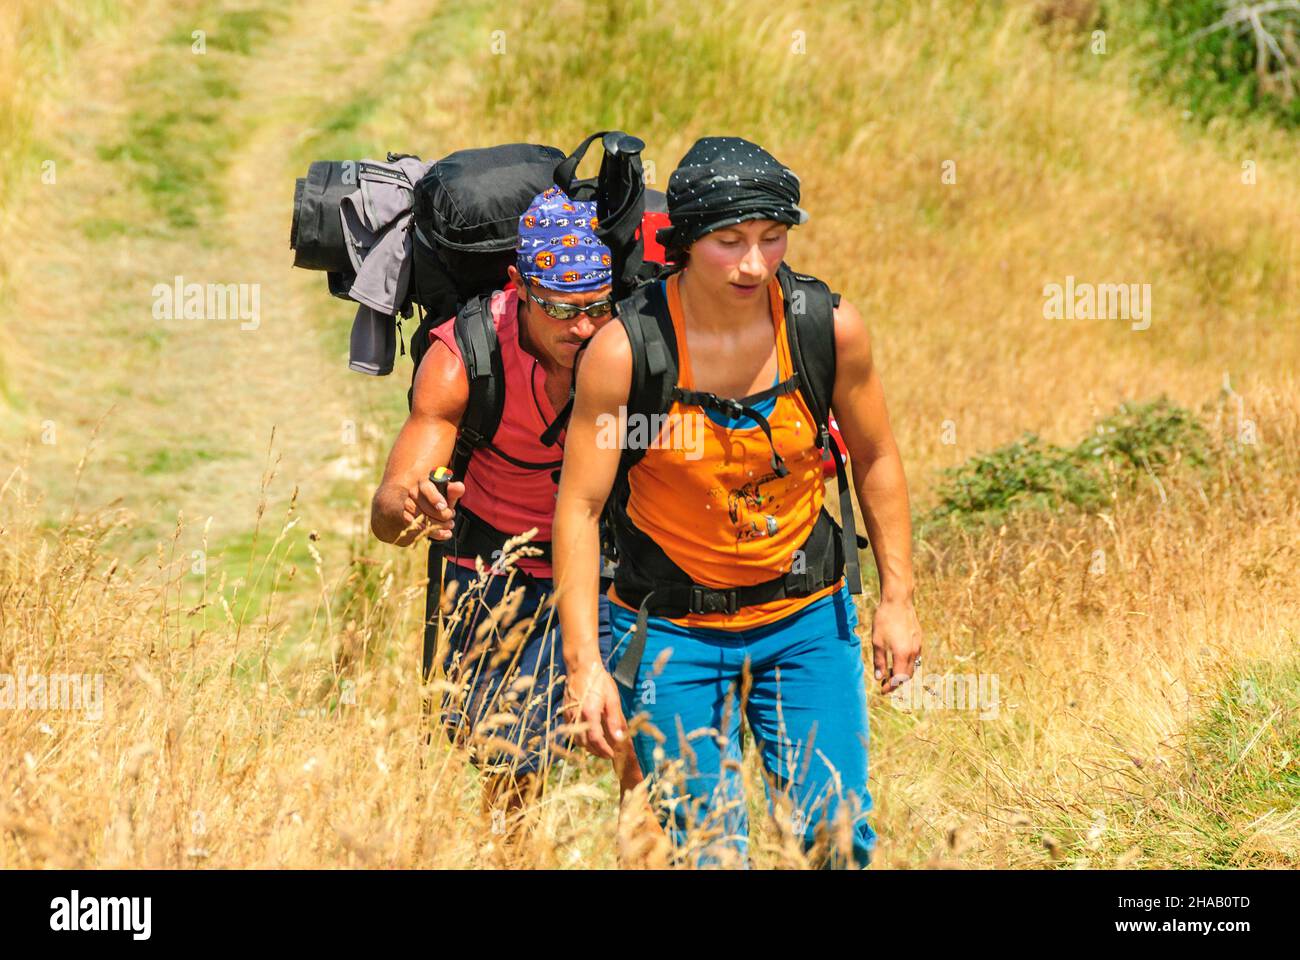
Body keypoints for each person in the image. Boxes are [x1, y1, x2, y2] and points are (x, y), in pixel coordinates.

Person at [553, 137, 922, 867]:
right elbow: (581, 507)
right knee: (708, 853)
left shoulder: (826, 328)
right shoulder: (628, 351)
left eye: (772, 238)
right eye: (730, 243)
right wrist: (584, 664)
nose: (755, 263)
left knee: (836, 838)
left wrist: (897, 599)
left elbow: (878, 458)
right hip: (672, 634)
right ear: (687, 243)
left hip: (806, 622)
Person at [371, 186, 643, 827]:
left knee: (644, 753)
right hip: (500, 572)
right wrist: (414, 506)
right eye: (562, 309)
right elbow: (386, 512)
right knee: (513, 770)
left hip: (613, 565)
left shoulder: (627, 344)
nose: (583, 328)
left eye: (597, 308)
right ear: (520, 286)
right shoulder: (461, 356)